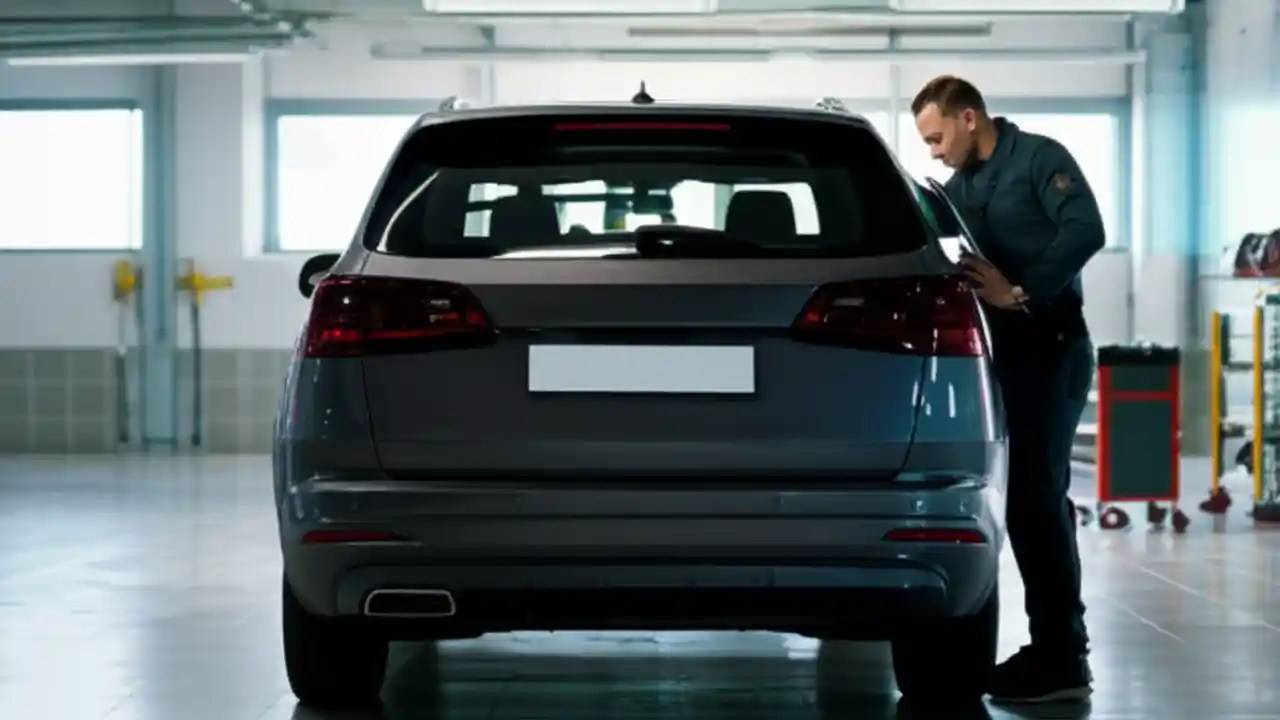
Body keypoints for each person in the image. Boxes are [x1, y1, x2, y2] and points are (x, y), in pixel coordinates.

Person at [910, 75, 1104, 704]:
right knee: (1014, 504)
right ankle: (1049, 649)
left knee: (1037, 502)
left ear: (969, 118)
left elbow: (1086, 230)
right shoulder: (957, 191)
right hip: (999, 363)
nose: (933, 150)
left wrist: (1019, 292)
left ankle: (1063, 658)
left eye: (938, 137)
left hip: (1051, 350)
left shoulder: (1038, 158)